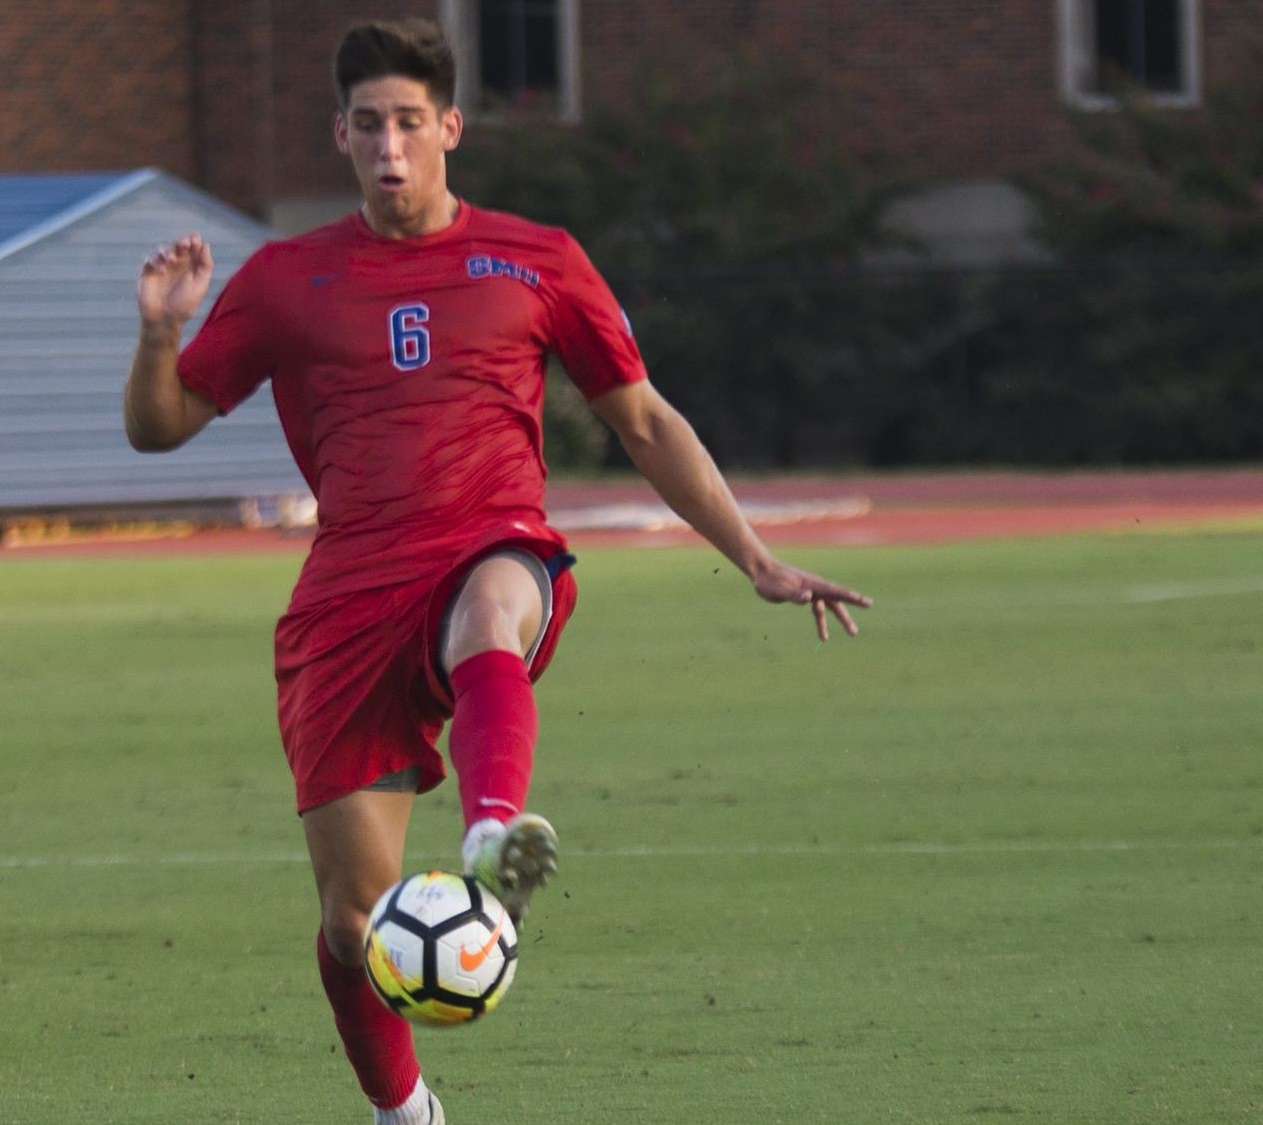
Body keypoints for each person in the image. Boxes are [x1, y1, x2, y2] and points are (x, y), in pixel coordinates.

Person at [124, 19, 870, 1125]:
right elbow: (160, 428)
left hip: (488, 541)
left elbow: (643, 419)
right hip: (345, 603)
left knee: (492, 610)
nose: (389, 145)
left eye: (409, 124)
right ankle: (405, 1111)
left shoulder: (536, 258)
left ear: (450, 129)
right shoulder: (285, 278)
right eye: (367, 124)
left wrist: (752, 556)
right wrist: (156, 335)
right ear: (338, 134)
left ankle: (493, 830)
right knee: (352, 927)